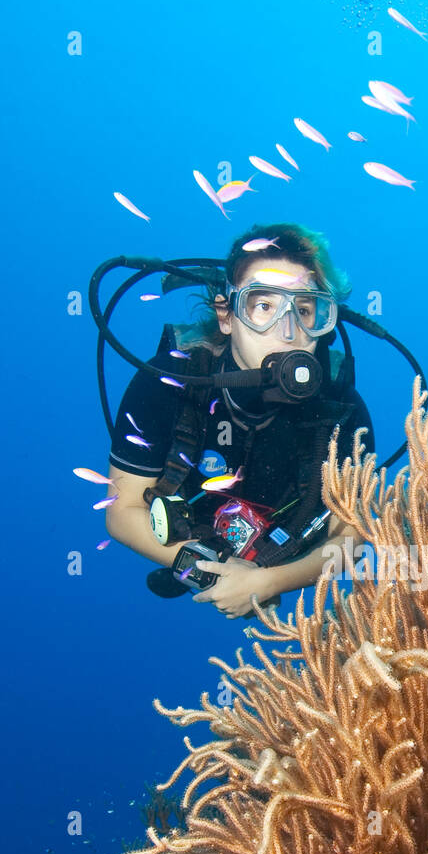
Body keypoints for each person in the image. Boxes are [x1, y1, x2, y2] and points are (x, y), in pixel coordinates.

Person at [105, 224, 375, 619]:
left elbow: (349, 536)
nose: (287, 333)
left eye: (303, 311)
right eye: (263, 306)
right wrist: (213, 575)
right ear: (227, 315)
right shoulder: (167, 382)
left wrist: (267, 582)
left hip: (280, 551)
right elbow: (121, 511)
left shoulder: (342, 411)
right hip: (191, 538)